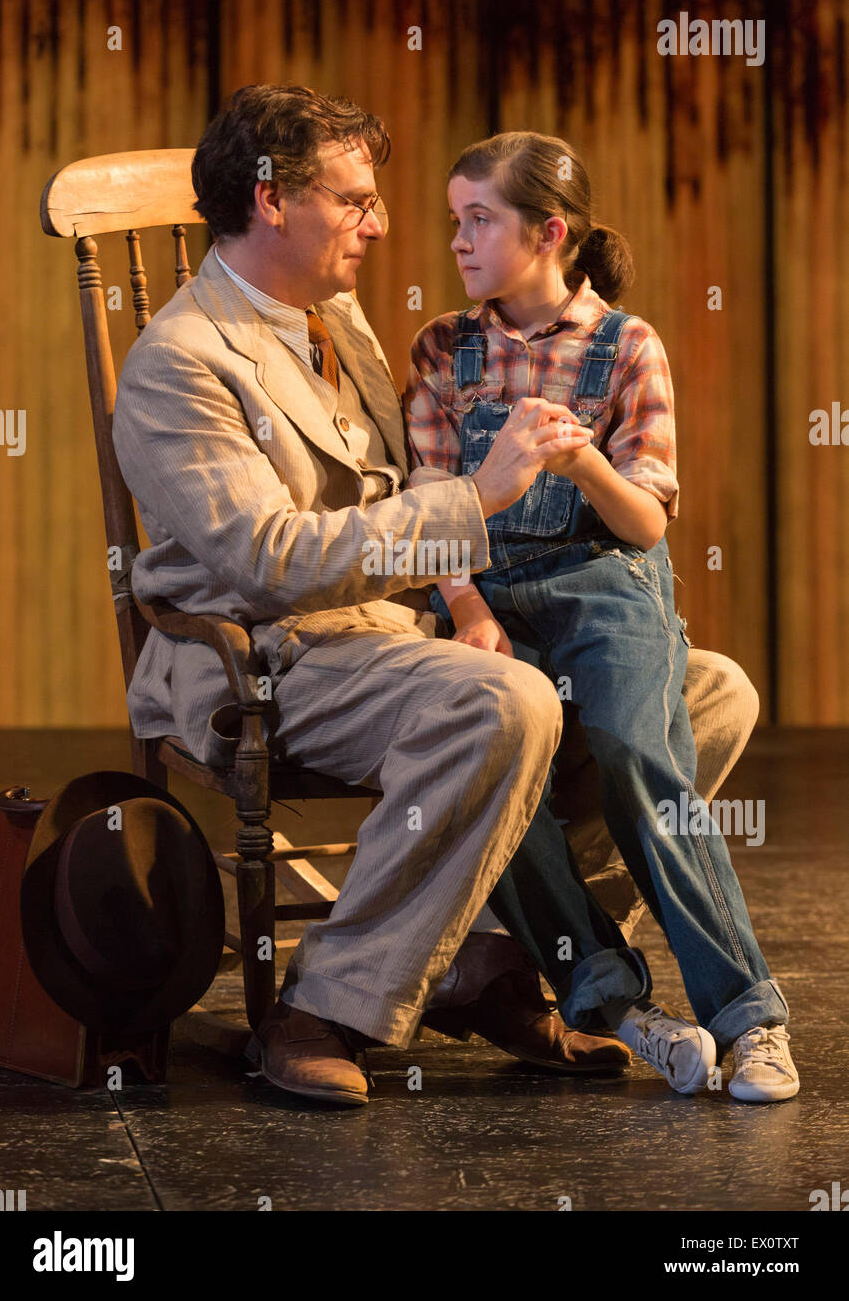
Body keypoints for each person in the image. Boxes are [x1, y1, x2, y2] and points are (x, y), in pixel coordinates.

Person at [111, 85, 761, 1109]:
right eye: (355, 200)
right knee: (502, 703)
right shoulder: (178, 364)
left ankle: (488, 953)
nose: (379, 222)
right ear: (273, 202)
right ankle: (322, 1006)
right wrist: (480, 495)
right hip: (261, 651)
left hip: (390, 629)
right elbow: (264, 561)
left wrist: (478, 593)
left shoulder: (335, 317)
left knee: (709, 689)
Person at [404, 130, 799, 1103]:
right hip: (488, 590)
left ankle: (746, 1017)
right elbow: (424, 501)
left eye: (479, 219)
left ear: (549, 231)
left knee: (635, 753)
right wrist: (462, 607)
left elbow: (645, 522)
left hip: (602, 581)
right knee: (500, 774)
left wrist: (580, 460)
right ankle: (617, 1005)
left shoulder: (626, 345)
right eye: (454, 220)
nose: (457, 240)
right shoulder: (441, 349)